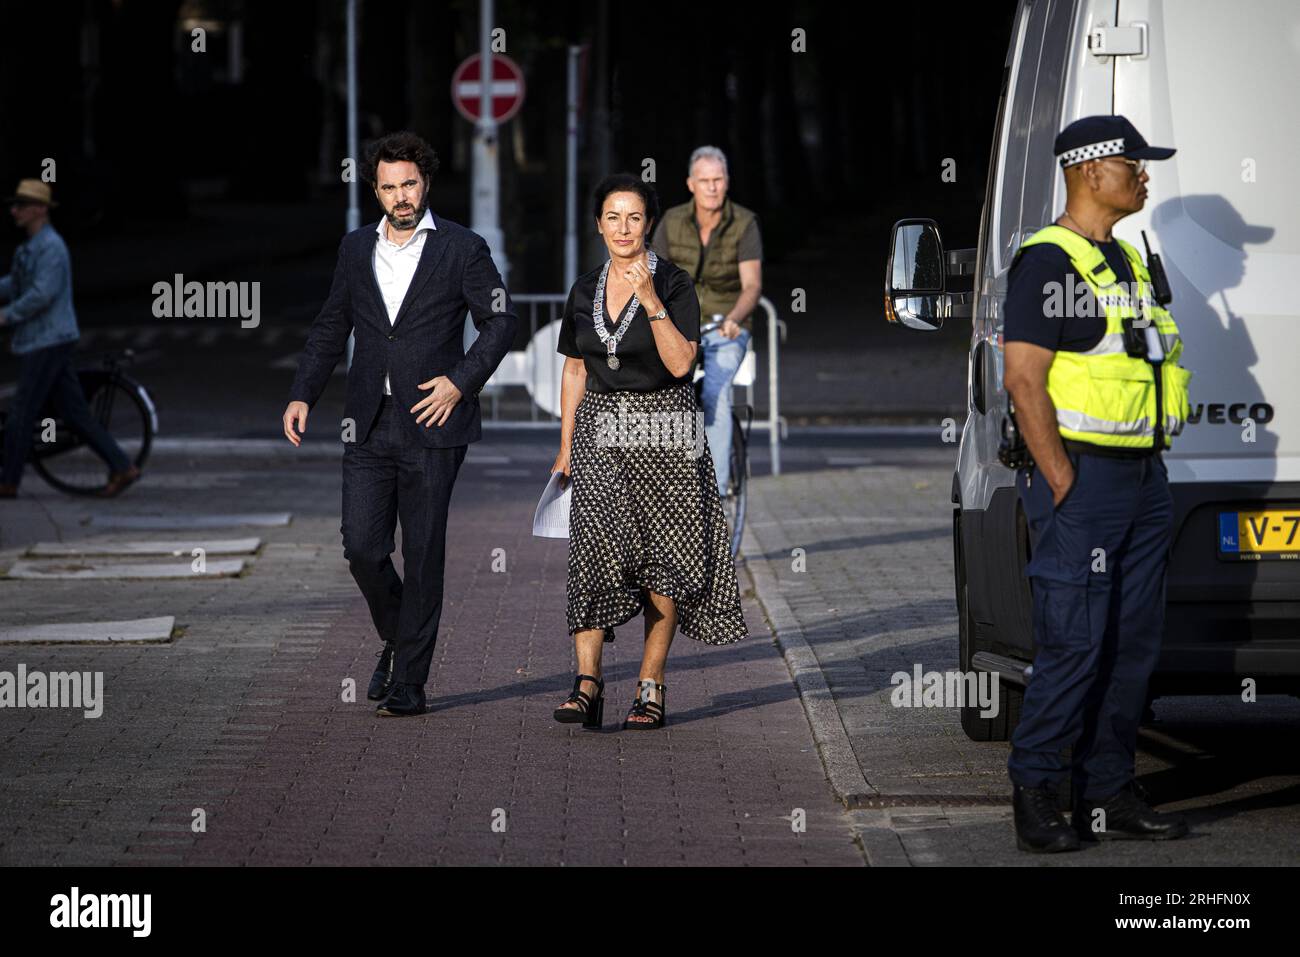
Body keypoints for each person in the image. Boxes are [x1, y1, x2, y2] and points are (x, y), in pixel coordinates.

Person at [1002, 115, 1193, 852]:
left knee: (1132, 642)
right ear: (1089, 172)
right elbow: (1024, 379)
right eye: (1134, 163)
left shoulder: (1129, 261)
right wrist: (1061, 481)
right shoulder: (1049, 264)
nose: (1145, 175)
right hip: (1085, 481)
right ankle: (1038, 791)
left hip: (1143, 479)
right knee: (1074, 642)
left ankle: (1109, 790)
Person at [282, 131, 517, 717]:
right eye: (388, 187)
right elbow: (332, 325)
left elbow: (500, 320)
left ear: (426, 181)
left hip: (434, 424)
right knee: (361, 547)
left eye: (409, 183)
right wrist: (303, 393)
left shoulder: (462, 248)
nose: (400, 196)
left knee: (424, 550)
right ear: (376, 190)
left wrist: (461, 381)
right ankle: (397, 635)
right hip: (367, 421)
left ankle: (411, 680)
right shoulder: (356, 248)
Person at [551, 173, 748, 730]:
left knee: (663, 562)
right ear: (598, 224)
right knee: (592, 552)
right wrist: (565, 447)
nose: (623, 227)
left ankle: (650, 685)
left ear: (649, 224)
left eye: (634, 217)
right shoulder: (582, 289)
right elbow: (573, 368)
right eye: (612, 217)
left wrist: (648, 299)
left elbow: (683, 363)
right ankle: (587, 683)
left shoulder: (677, 285)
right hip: (599, 435)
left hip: (667, 437)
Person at [0, 179, 139, 499]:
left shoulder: (51, 248)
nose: (14, 211)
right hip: (48, 338)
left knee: (22, 411)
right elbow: (17, 282)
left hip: (48, 339)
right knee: (74, 413)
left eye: (20, 205)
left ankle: (9, 480)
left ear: (39, 209)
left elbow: (41, 294)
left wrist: (7, 314)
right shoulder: (30, 247)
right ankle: (121, 465)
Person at [650, 146, 762, 496]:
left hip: (726, 326)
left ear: (727, 182)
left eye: (718, 180)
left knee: (716, 390)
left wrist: (734, 319)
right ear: (690, 184)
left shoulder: (745, 223)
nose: (712, 187)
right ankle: (660, 478)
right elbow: (655, 278)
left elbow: (752, 285)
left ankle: (717, 485)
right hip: (679, 325)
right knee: (653, 389)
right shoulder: (671, 221)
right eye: (704, 180)